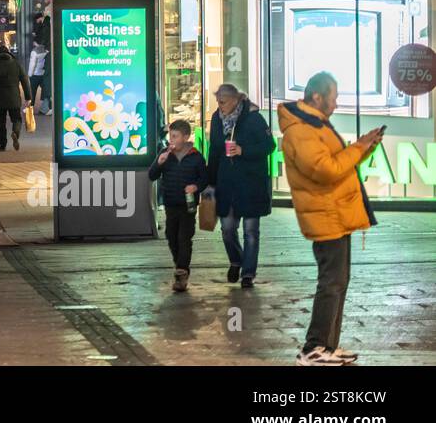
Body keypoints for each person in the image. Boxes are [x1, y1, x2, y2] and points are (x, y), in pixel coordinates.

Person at [280, 71, 382, 366]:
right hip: (325, 216)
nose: (336, 104)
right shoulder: (301, 130)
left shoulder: (315, 125)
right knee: (331, 283)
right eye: (334, 97)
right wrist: (358, 148)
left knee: (339, 282)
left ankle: (328, 346)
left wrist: (364, 148)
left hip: (335, 214)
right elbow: (325, 169)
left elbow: (337, 163)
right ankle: (313, 348)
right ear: (317, 97)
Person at [207, 83, 275, 288]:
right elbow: (214, 151)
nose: (220, 106)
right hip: (227, 183)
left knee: (251, 230)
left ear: (236, 100)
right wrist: (210, 182)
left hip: (251, 182)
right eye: (218, 102)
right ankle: (236, 260)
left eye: (223, 102)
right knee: (227, 229)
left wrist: (243, 151)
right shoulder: (217, 119)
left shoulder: (253, 117)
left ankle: (248, 273)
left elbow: (269, 145)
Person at [148, 119, 209, 293]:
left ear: (186, 137)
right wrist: (159, 162)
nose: (171, 140)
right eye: (170, 136)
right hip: (170, 203)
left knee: (184, 237)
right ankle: (180, 266)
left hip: (188, 205)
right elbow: (152, 175)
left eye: (175, 136)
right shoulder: (165, 154)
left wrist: (195, 187)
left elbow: (204, 179)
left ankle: (182, 271)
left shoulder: (196, 157)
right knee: (171, 236)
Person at [27, 41, 49, 114]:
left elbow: (32, 64)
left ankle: (30, 108)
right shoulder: (45, 50)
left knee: (32, 92)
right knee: (45, 91)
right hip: (43, 74)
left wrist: (30, 74)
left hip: (35, 75)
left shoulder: (34, 52)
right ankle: (44, 108)